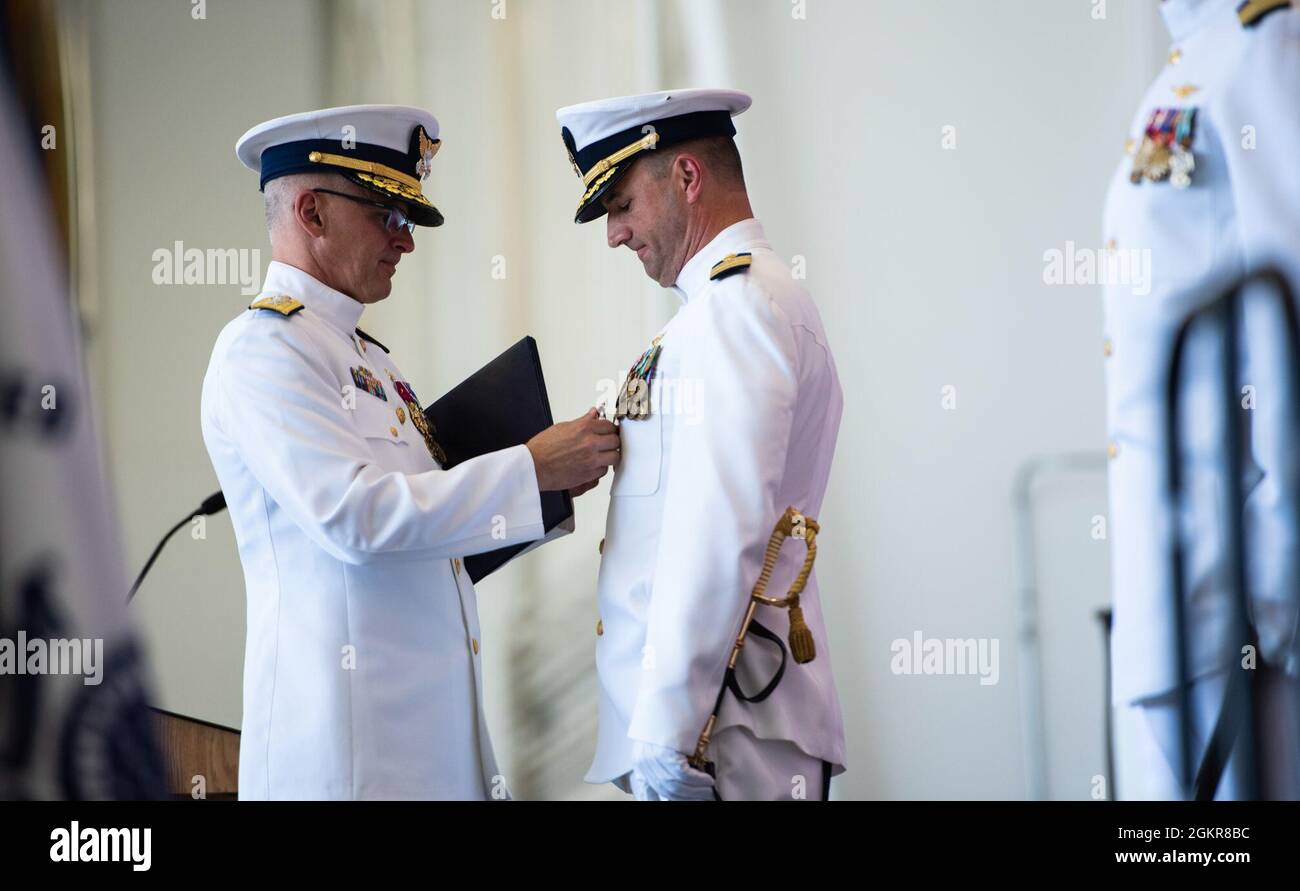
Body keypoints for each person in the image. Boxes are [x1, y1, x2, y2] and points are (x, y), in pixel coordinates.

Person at [201, 105, 619, 799]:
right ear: (311, 212)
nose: (407, 241)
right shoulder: (263, 350)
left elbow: (419, 545)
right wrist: (529, 468)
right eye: (387, 214)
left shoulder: (368, 358)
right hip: (350, 766)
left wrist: (538, 488)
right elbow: (356, 519)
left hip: (427, 756)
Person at [555, 88, 847, 800]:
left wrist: (669, 730)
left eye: (621, 205)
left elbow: (721, 526)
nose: (614, 234)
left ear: (687, 177)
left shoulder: (736, 308)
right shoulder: (727, 306)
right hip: (723, 722)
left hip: (722, 728)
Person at [1103, 0, 1300, 799]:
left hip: (1244, 623)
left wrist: (1284, 617)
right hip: (1173, 614)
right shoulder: (1193, 61)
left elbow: (1288, 325)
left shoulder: (1268, 47)